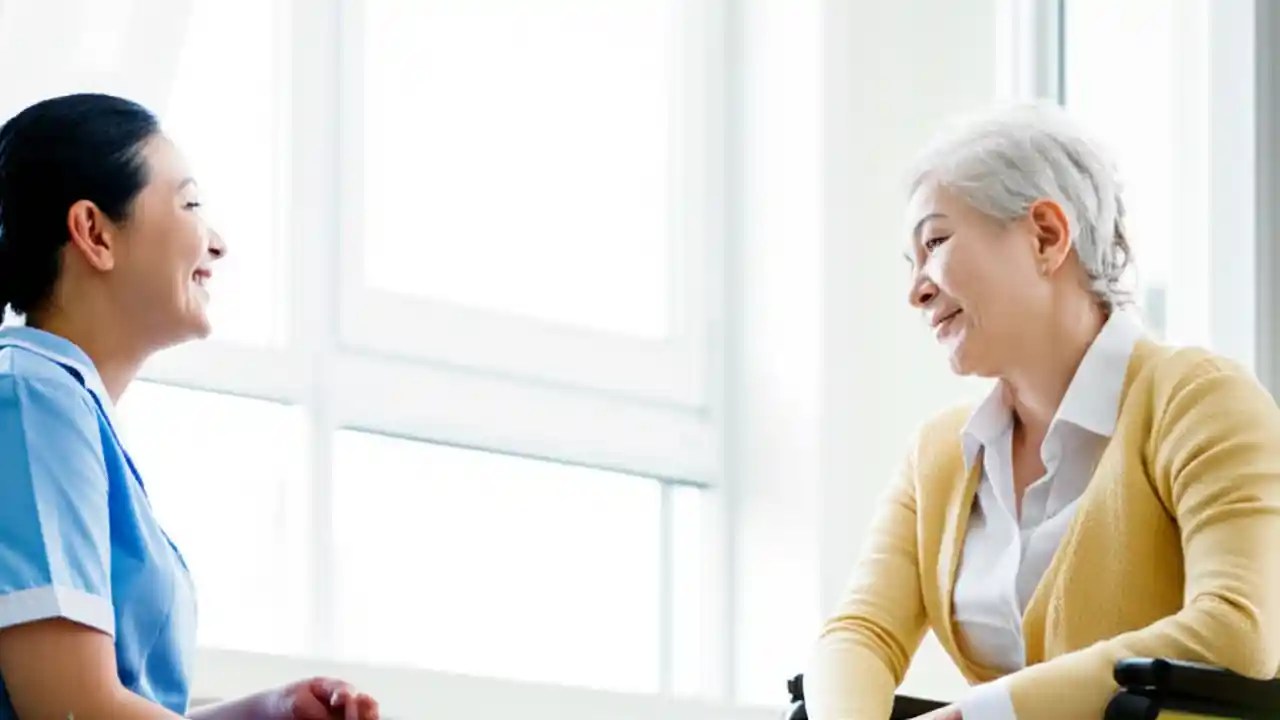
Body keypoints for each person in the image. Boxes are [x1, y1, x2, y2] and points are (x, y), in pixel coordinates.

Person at [805, 103, 1280, 720]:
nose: (916, 289)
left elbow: (1239, 632)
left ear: (1046, 236)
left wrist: (979, 716)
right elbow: (859, 634)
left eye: (936, 242)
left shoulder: (1198, 398)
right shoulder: (940, 453)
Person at [0, 94, 380, 719]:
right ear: (94, 233)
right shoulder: (35, 394)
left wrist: (268, 712)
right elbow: (72, 710)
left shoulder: (58, 407)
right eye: (191, 204)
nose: (218, 244)